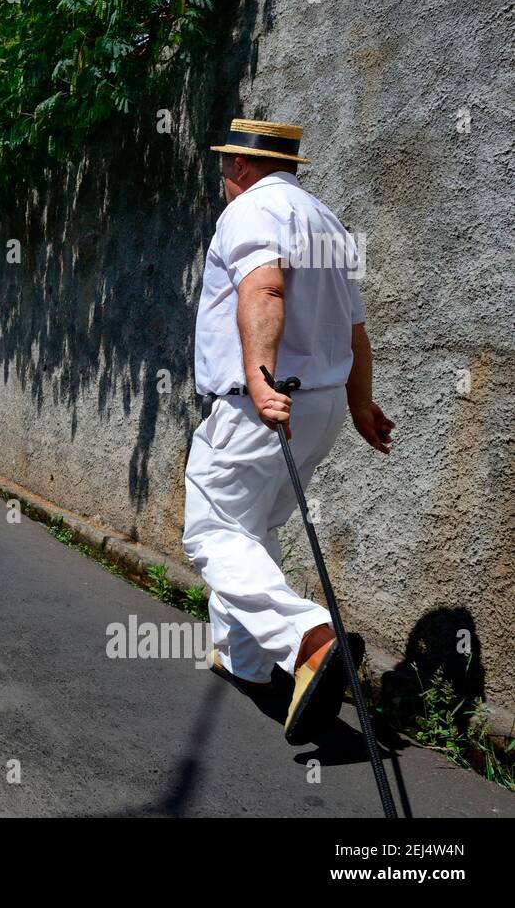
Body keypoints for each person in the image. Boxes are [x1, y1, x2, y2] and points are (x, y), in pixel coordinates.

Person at [182, 119, 395, 745]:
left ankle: (309, 640)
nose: (223, 179)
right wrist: (360, 404)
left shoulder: (252, 210)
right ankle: (247, 661)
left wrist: (256, 373)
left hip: (267, 402)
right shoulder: (325, 220)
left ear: (243, 169)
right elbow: (355, 332)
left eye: (226, 167)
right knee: (254, 528)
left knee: (212, 531)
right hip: (322, 406)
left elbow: (264, 288)